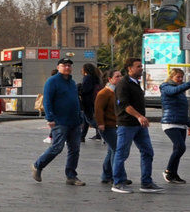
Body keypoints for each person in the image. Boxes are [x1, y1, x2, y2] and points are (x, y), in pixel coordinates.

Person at [31, 57, 85, 185]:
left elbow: (76, 101)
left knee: (74, 149)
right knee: (57, 147)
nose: (67, 68)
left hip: (74, 121)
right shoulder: (52, 81)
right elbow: (47, 100)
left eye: (69, 66)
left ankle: (71, 176)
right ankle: (38, 166)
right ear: (59, 67)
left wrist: (80, 117)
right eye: (64, 65)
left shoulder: (72, 82)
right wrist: (49, 118)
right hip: (60, 121)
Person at [111, 58, 160, 193]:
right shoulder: (123, 84)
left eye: (141, 66)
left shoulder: (135, 83)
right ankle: (118, 182)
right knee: (122, 153)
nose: (141, 68)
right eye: (138, 66)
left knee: (147, 151)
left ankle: (146, 182)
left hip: (139, 125)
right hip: (127, 124)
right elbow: (124, 104)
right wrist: (139, 116)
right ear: (129, 68)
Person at [159, 67, 190, 184]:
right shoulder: (165, 87)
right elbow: (174, 91)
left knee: (177, 149)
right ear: (171, 77)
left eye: (182, 77)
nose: (180, 79)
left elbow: (183, 109)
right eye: (178, 77)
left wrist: (189, 125)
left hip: (181, 123)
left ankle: (174, 174)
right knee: (180, 147)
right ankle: (168, 171)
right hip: (170, 122)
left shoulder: (180, 90)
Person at [94, 68, 123, 184]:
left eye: (121, 76)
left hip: (115, 125)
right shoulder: (104, 93)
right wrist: (100, 123)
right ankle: (117, 176)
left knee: (112, 150)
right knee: (117, 150)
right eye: (117, 76)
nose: (120, 78)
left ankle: (106, 175)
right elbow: (98, 109)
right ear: (110, 79)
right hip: (107, 126)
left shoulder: (116, 92)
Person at [77, 63, 103, 141]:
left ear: (85, 69)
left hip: (88, 101)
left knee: (90, 119)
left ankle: (104, 130)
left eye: (83, 68)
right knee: (86, 120)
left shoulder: (87, 78)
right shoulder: (97, 78)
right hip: (94, 100)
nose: (81, 70)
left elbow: (85, 90)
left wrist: (79, 89)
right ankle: (82, 136)